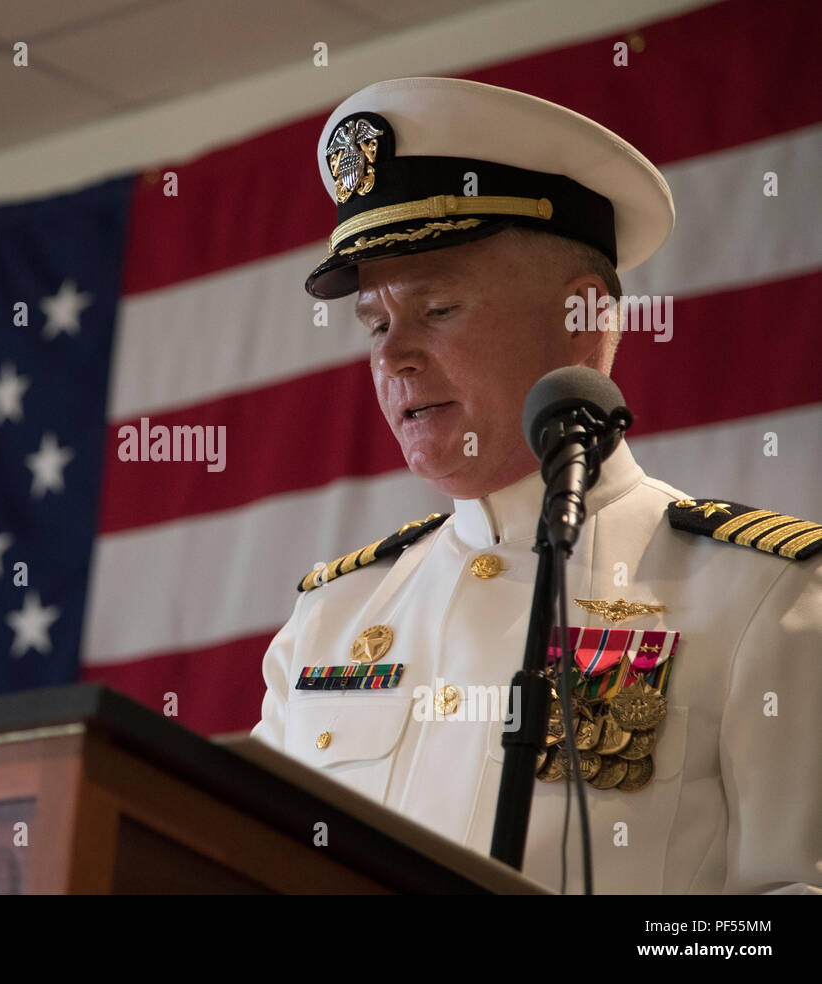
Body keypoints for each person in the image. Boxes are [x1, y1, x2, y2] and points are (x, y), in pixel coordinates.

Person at [249, 77, 822, 894]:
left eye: (437, 308)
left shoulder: (765, 596)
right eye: (376, 325)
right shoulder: (328, 627)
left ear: (583, 320)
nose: (392, 356)